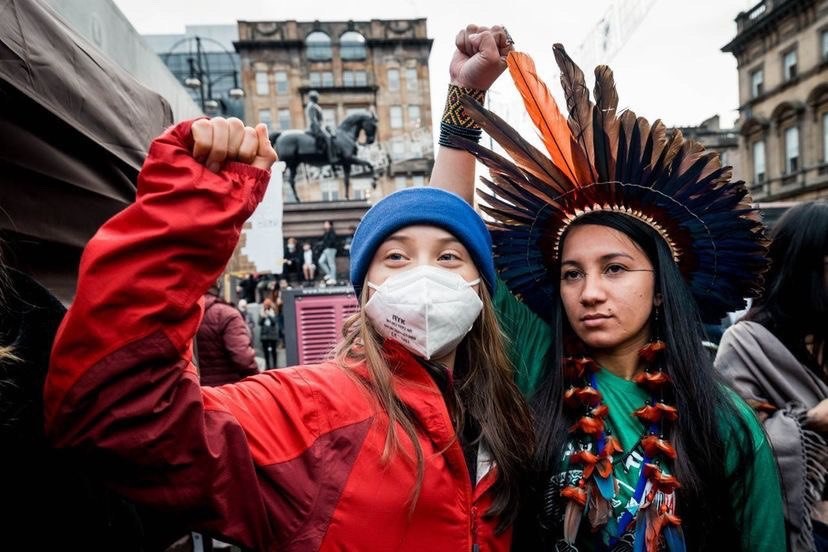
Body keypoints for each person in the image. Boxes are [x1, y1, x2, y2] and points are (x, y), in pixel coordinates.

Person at [44, 117, 535, 550]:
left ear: (480, 287)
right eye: (396, 258)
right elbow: (116, 415)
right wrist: (193, 207)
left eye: (448, 256)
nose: (423, 275)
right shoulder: (315, 412)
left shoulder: (509, 415)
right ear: (365, 291)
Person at [429, 25, 786, 550]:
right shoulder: (537, 363)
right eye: (572, 273)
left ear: (660, 287)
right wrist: (465, 97)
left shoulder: (727, 426)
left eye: (614, 269)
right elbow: (447, 243)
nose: (589, 292)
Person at [716, 201, 828, 551]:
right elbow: (734, 442)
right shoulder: (746, 343)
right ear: (804, 270)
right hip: (804, 527)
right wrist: (810, 421)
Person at [195, 282, 259, 387]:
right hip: (226, 389)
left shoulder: (183, 314)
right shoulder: (227, 314)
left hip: (195, 391)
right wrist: (257, 381)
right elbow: (244, 359)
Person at [305, 89, 336, 165]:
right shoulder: (312, 106)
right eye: (316, 97)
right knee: (328, 137)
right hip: (315, 127)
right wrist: (320, 127)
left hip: (319, 125)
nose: (318, 98)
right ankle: (331, 158)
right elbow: (314, 119)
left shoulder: (314, 105)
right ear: (314, 98)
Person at [258, 298, 280, 370]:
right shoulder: (261, 312)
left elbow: (274, 322)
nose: (266, 306)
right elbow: (259, 323)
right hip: (264, 335)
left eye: (267, 305)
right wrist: (264, 316)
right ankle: (268, 366)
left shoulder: (273, 311)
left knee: (274, 351)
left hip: (272, 335)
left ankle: (275, 365)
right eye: (265, 305)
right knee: (266, 352)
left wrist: (269, 315)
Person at [318, 219, 338, 284]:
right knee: (321, 261)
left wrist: (327, 246)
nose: (325, 225)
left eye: (326, 224)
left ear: (330, 225)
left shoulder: (332, 232)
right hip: (326, 249)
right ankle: (329, 274)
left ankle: (333, 279)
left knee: (331, 264)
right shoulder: (326, 232)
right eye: (325, 224)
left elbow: (332, 241)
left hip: (331, 249)